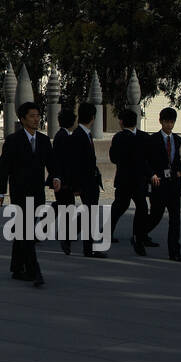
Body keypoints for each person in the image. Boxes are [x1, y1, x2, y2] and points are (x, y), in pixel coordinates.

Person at [0, 101, 54, 288]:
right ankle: (34, 271)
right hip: (20, 193)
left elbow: (52, 165)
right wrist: (0, 191)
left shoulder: (44, 141)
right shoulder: (13, 140)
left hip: (37, 193)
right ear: (22, 119)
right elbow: (4, 168)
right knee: (28, 233)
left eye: (38, 115)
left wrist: (57, 178)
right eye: (32, 116)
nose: (36, 119)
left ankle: (16, 267)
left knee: (23, 231)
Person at [62, 102, 107, 257]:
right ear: (93, 117)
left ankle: (75, 241)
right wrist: (76, 185)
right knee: (90, 214)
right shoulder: (79, 136)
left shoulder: (84, 134)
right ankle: (85, 246)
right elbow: (75, 163)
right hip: (85, 182)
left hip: (91, 180)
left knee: (89, 214)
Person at [109, 109, 154, 256]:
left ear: (122, 122)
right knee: (141, 207)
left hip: (123, 179)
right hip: (139, 180)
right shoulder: (144, 137)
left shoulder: (118, 137)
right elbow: (148, 159)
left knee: (119, 206)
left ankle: (106, 232)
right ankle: (138, 237)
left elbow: (113, 158)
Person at [146, 107, 181, 261]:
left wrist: (179, 171)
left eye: (171, 122)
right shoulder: (153, 140)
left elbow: (177, 159)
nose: (169, 125)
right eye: (166, 122)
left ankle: (174, 251)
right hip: (159, 183)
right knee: (156, 215)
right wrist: (151, 174)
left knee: (175, 219)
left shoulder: (177, 139)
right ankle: (140, 234)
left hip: (174, 185)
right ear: (160, 121)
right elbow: (146, 160)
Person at [49, 107, 77, 255]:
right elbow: (65, 162)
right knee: (68, 207)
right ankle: (66, 236)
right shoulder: (65, 137)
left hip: (60, 178)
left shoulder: (60, 135)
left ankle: (40, 229)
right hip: (63, 180)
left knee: (60, 206)